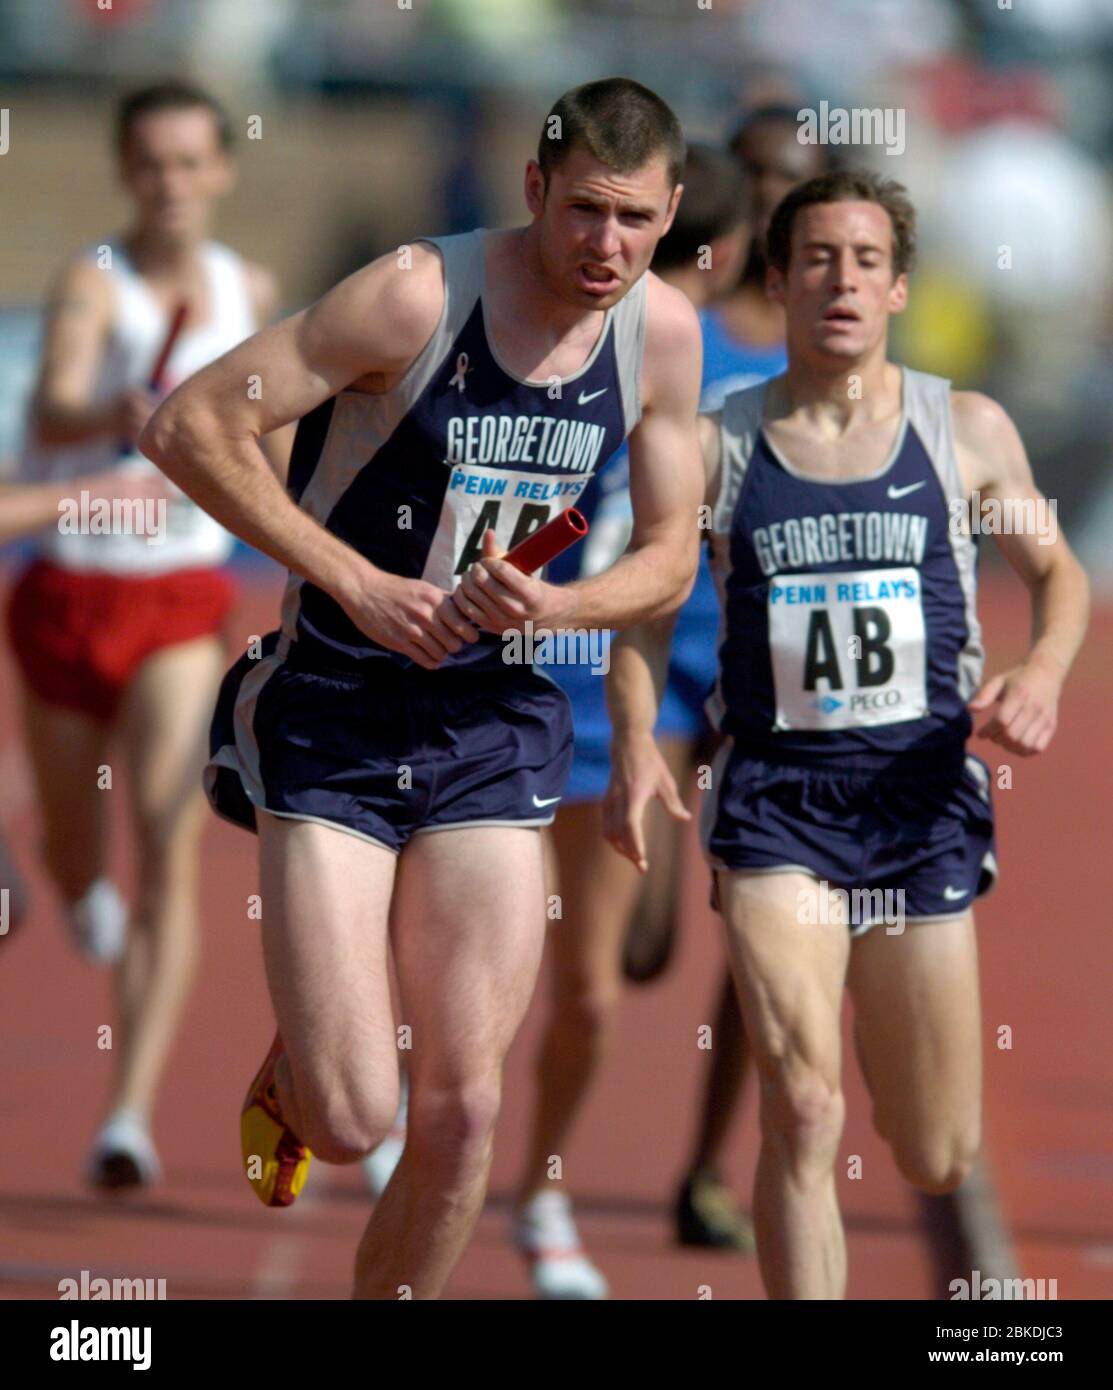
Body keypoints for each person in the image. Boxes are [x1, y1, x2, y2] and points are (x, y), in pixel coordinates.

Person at [140, 78, 705, 1301]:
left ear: (671, 215)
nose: (607, 247)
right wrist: (356, 580)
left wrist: (561, 606)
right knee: (353, 1117)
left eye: (639, 221)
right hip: (336, 709)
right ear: (534, 189)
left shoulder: (662, 334)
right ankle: (307, 1060)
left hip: (495, 723)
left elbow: (671, 554)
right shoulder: (415, 292)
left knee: (462, 1111)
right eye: (587, 212)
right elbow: (188, 426)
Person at [605, 169, 1089, 1299]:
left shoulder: (963, 429)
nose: (842, 280)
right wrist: (637, 743)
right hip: (777, 803)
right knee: (805, 1101)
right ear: (779, 280)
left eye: (866, 262)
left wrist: (1045, 672)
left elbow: (1058, 573)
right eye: (818, 257)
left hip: (922, 809)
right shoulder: (719, 446)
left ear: (900, 289)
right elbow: (640, 613)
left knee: (935, 1150)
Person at [5, 81, 287, 1190]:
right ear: (130, 173)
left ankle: (128, 1116)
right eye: (152, 164)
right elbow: (53, 408)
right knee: (80, 857)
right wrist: (122, 403)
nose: (172, 183)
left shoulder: (246, 289)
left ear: (220, 171)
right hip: (71, 590)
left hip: (177, 595)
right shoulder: (95, 281)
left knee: (168, 827)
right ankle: (79, 891)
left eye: (190, 162)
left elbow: (265, 422)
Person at [508, 143, 753, 1301]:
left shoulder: (740, 369)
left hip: (636, 700)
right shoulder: (538, 328)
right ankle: (377, 1074)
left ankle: (543, 1188)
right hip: (487, 690)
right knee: (460, 954)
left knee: (605, 979)